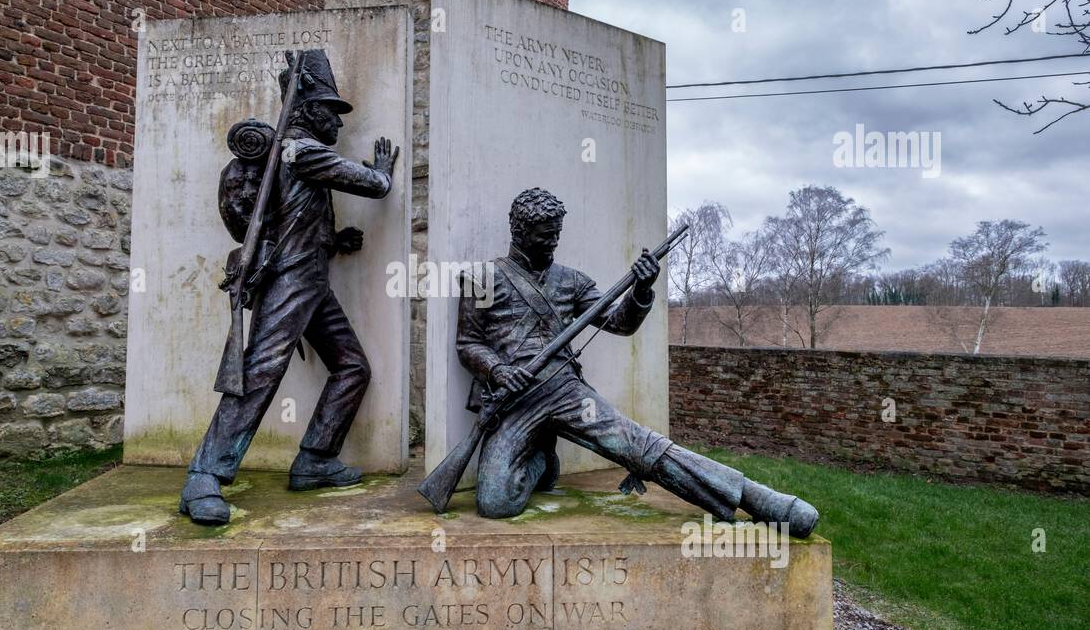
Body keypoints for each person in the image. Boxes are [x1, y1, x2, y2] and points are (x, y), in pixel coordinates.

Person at [455, 187, 819, 537]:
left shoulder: (573, 282)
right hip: (514, 399)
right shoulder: (481, 279)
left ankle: (758, 498)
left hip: (565, 391)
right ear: (519, 232)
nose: (552, 243)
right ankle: (543, 463)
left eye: (556, 235)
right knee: (494, 503)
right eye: (544, 236)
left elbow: (619, 323)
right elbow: (468, 342)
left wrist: (641, 290)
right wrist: (498, 370)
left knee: (643, 447)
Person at [180, 49, 398, 525]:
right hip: (292, 279)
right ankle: (205, 475)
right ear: (304, 111)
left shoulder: (294, 153)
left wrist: (333, 241)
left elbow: (293, 218)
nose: (337, 124)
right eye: (330, 112)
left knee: (352, 368)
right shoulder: (302, 149)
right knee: (260, 372)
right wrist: (382, 170)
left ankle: (316, 458)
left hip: (313, 278)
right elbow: (372, 185)